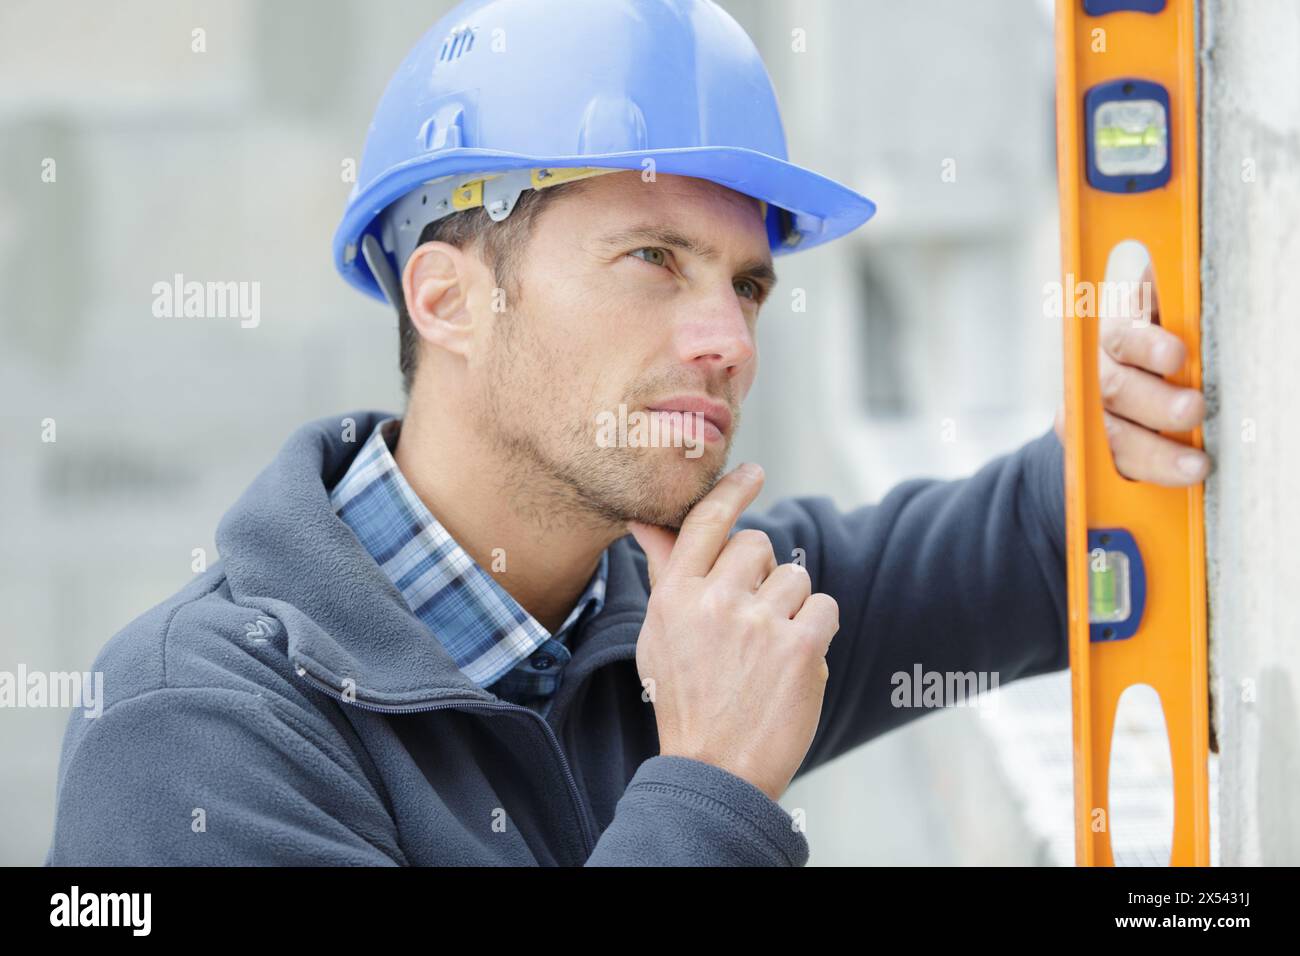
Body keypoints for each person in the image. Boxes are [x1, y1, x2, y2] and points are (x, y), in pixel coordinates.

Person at [46, 0, 1208, 866]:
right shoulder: (193, 735)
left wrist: (1125, 416)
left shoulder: (684, 610)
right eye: (652, 257)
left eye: (747, 285)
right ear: (448, 300)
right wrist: (706, 784)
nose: (730, 340)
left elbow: (1035, 544)